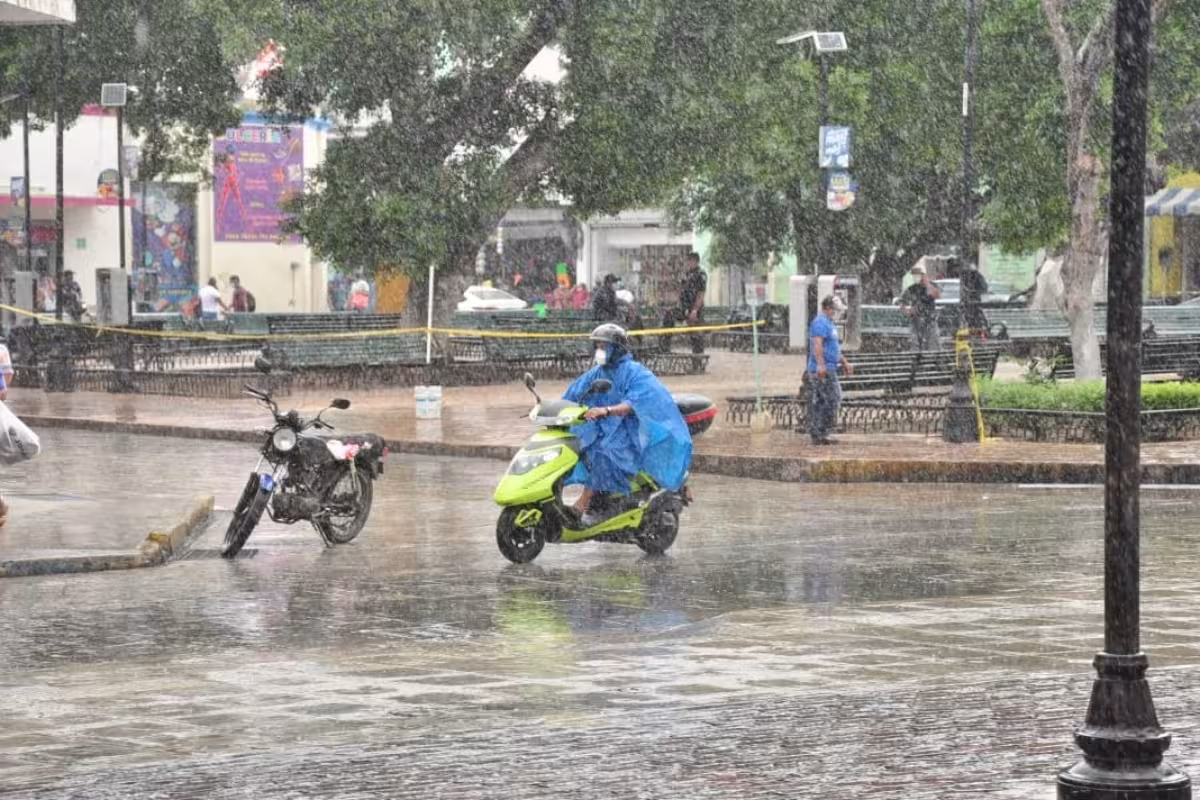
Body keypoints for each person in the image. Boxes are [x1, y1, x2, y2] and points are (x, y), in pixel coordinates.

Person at [563, 324, 693, 528]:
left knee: (603, 451)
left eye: (603, 346)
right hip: (603, 427)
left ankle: (582, 503)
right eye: (597, 345)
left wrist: (606, 410)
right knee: (574, 445)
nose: (599, 350)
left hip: (629, 429)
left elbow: (635, 402)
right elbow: (572, 395)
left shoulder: (634, 372)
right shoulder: (597, 373)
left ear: (616, 348)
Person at [807, 295, 853, 446]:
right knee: (829, 399)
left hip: (831, 368)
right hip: (823, 369)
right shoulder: (820, 322)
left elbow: (833, 348)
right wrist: (821, 365)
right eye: (836, 310)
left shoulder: (830, 324)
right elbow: (817, 345)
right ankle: (820, 432)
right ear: (828, 308)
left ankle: (822, 432)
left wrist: (844, 362)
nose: (837, 313)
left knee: (829, 399)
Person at [662, 252, 707, 354]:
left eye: (690, 261)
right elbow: (681, 290)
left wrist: (694, 310)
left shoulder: (701, 274)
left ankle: (698, 359)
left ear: (695, 261)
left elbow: (701, 294)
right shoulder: (687, 274)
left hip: (695, 308)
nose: (688, 263)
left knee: (696, 334)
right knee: (669, 316)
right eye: (688, 261)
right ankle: (665, 346)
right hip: (683, 307)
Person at [899, 263, 942, 351]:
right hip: (916, 322)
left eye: (918, 275)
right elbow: (902, 304)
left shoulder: (931, 286)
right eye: (914, 275)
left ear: (923, 275)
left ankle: (933, 362)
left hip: (930, 321)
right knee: (915, 347)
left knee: (933, 346)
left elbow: (937, 295)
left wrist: (927, 284)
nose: (916, 277)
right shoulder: (911, 288)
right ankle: (916, 362)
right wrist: (909, 311)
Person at [958, 263, 990, 335]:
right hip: (969, 302)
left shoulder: (977, 277)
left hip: (974, 301)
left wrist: (974, 292)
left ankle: (975, 330)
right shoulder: (967, 277)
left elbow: (983, 288)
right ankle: (972, 330)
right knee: (970, 318)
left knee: (974, 317)